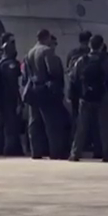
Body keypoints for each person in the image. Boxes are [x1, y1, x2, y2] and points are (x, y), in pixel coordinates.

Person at [69, 34, 108, 162]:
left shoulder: (81, 61)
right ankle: (107, 154)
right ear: (102, 46)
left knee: (81, 127)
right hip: (102, 96)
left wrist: (81, 92)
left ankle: (75, 153)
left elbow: (73, 78)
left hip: (85, 97)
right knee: (105, 127)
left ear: (89, 46)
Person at [25, 29, 70, 159]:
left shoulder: (30, 52)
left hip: (33, 88)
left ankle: (36, 151)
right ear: (47, 37)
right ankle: (55, 151)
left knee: (34, 122)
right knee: (52, 123)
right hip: (45, 89)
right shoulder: (46, 51)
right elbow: (53, 70)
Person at [0, 34, 25, 156]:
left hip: (0, 96)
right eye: (12, 42)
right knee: (11, 124)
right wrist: (19, 100)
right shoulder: (9, 64)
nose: (14, 45)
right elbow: (13, 84)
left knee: (1, 122)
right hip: (8, 97)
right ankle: (11, 149)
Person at [65, 31, 92, 121]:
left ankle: (75, 133)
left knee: (75, 115)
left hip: (73, 89)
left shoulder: (72, 53)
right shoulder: (90, 54)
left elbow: (68, 69)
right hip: (87, 90)